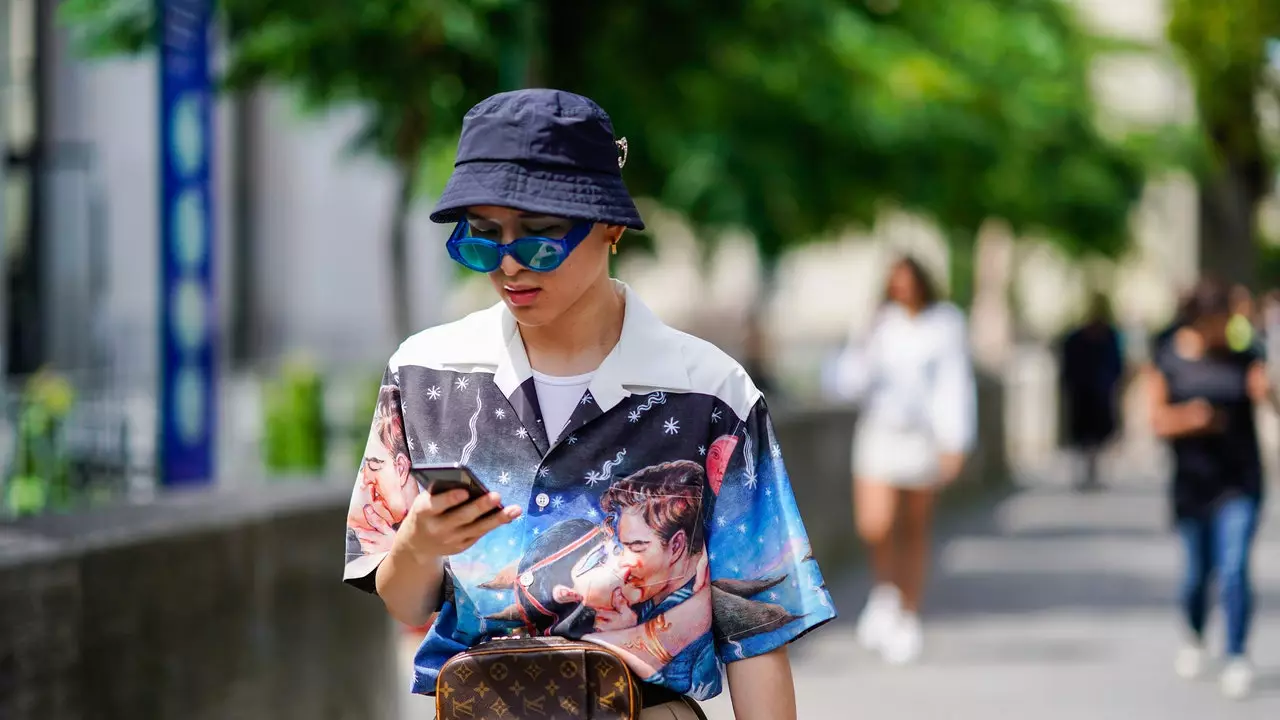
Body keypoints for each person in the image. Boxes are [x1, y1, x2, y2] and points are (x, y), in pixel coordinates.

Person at [342, 88, 835, 719]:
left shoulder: (709, 394)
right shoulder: (424, 372)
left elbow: (755, 636)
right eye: (483, 239)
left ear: (611, 227)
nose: (511, 265)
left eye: (541, 238)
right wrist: (418, 543)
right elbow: (407, 605)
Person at [832, 256, 976, 665]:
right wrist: (864, 343)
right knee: (875, 523)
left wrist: (956, 440)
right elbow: (848, 379)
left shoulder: (944, 323)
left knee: (914, 526)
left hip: (922, 438)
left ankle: (909, 612)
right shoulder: (878, 323)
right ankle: (885, 591)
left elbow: (955, 383)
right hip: (880, 432)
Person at [1149, 277, 1275, 700]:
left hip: (1240, 480)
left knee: (1235, 567)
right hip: (1193, 483)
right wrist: (1191, 419)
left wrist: (1268, 389)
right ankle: (1196, 634)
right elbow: (1156, 420)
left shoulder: (1246, 355)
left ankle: (1237, 653)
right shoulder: (1169, 357)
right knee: (1196, 574)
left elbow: (1271, 400)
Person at [1057, 292, 1125, 492]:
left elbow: (1117, 364)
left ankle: (1094, 473)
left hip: (1101, 394)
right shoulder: (1077, 338)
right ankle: (1087, 473)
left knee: (1099, 435)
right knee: (1084, 436)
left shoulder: (1109, 336)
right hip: (1082, 394)